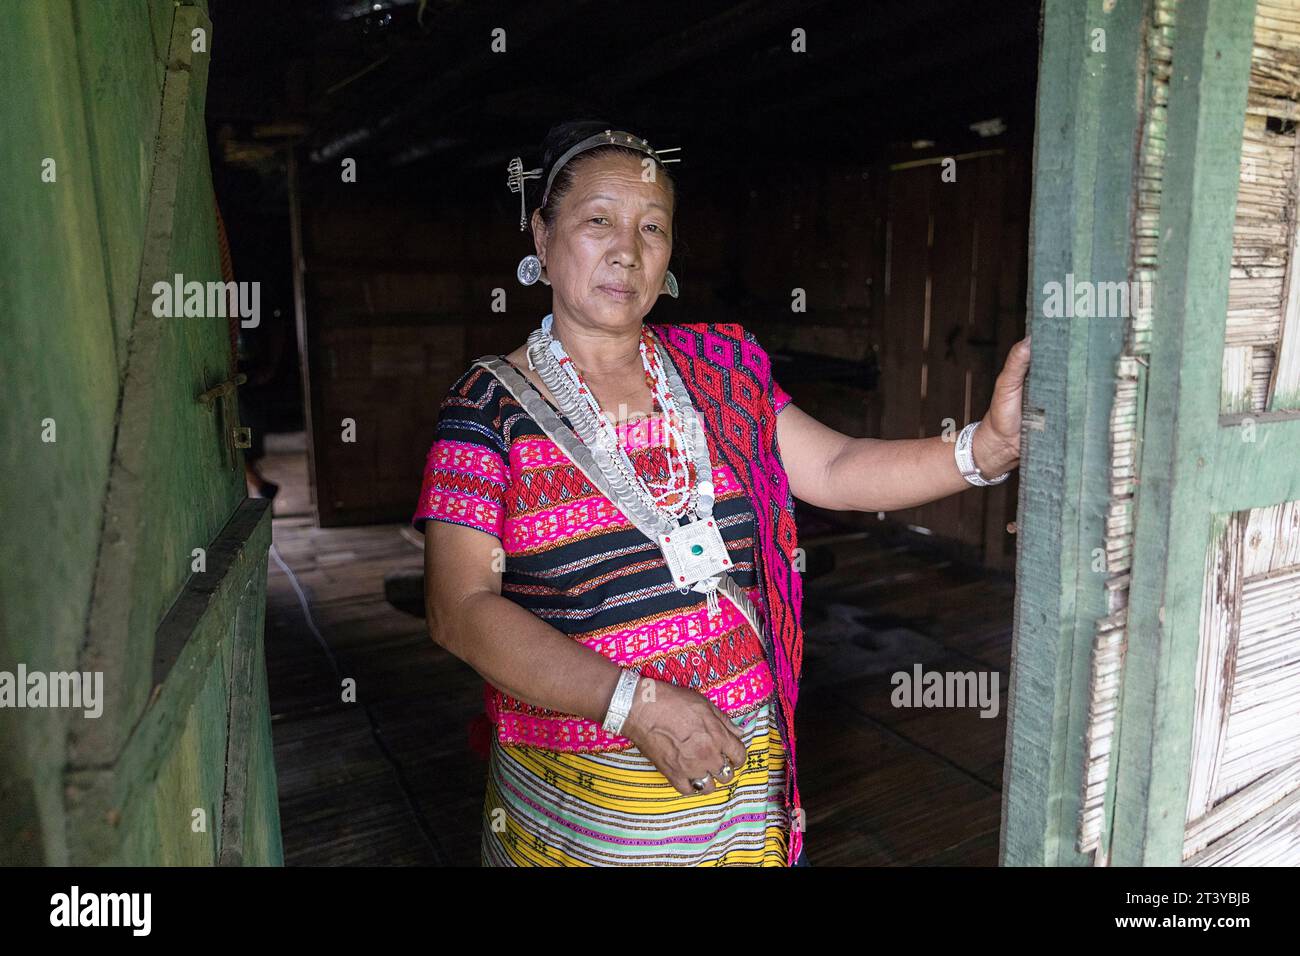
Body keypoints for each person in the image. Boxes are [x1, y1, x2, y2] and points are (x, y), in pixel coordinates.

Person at [412, 119, 1031, 866]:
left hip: (744, 777)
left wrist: (982, 449)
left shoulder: (719, 372)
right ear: (542, 238)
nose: (627, 251)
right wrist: (632, 702)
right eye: (597, 221)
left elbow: (834, 467)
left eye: (652, 227)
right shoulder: (486, 407)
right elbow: (460, 608)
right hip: (589, 810)